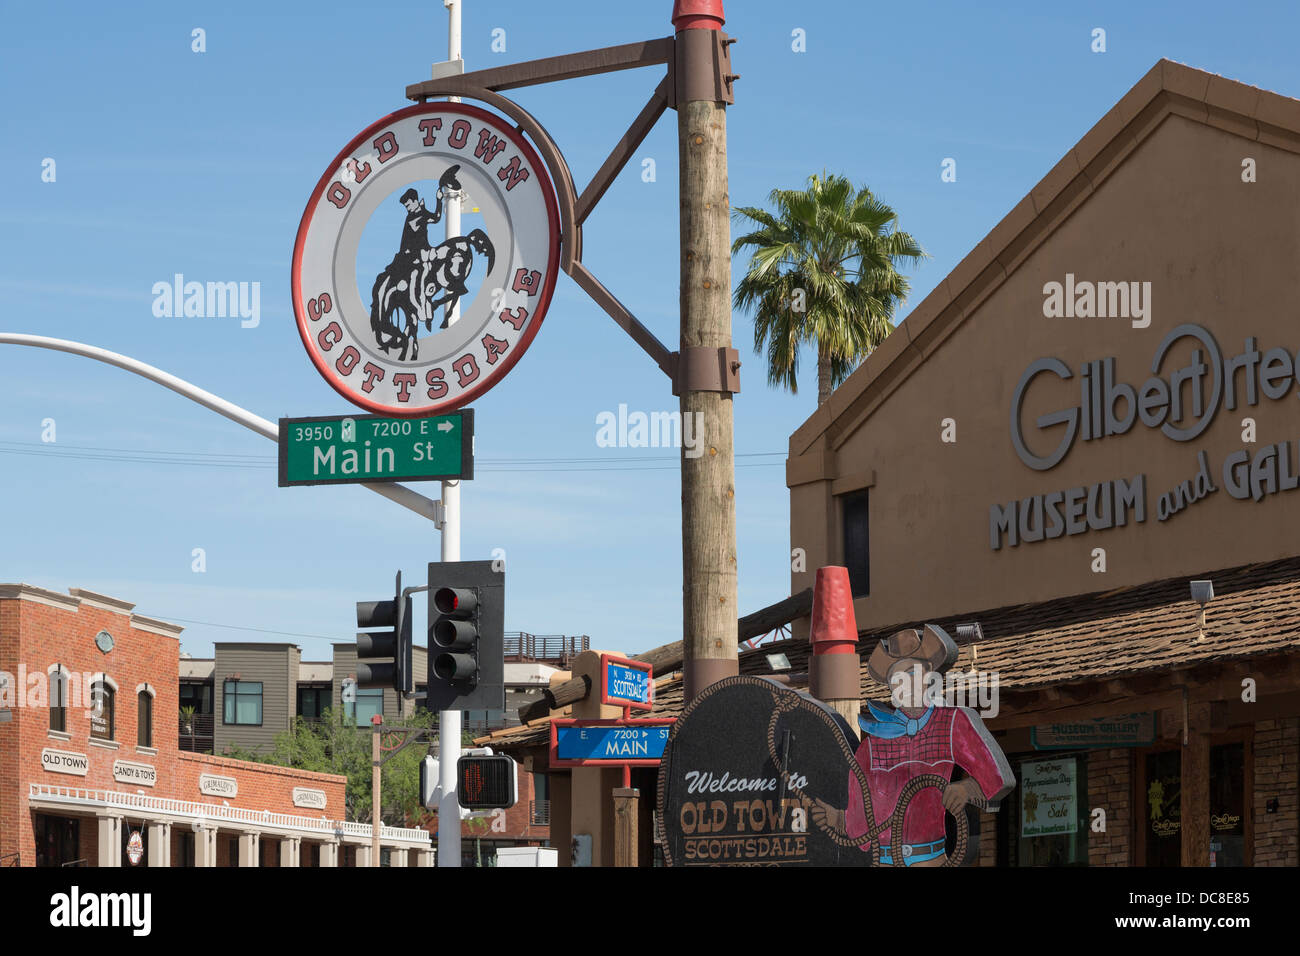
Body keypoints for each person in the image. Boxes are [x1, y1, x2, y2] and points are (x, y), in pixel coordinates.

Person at [813, 624, 1015, 866]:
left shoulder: (951, 724)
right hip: (883, 860)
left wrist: (966, 789)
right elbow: (860, 821)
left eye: (910, 673)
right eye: (895, 679)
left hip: (928, 859)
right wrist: (836, 818)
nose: (903, 684)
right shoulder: (872, 745)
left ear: (928, 676)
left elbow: (997, 777)